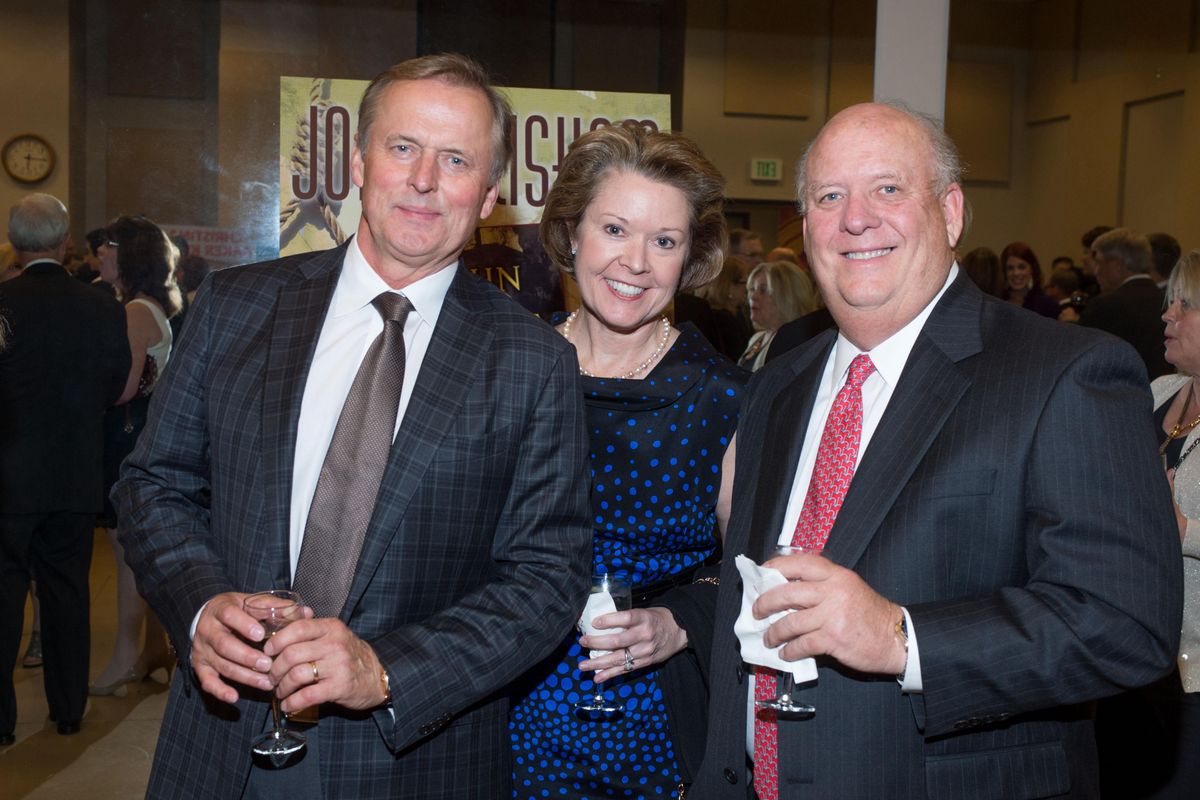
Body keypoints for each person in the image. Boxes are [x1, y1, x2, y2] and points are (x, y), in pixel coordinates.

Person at [113, 53, 592, 798]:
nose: (424, 179)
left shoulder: (533, 361)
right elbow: (153, 485)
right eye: (402, 148)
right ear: (359, 162)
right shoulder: (237, 308)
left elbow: (547, 577)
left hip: (413, 760)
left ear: (490, 192)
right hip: (220, 742)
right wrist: (200, 603)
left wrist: (388, 670)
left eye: (456, 159)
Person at [688, 102, 1182, 799]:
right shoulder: (778, 386)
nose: (855, 218)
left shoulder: (1064, 373)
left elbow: (1125, 625)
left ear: (950, 212)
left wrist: (901, 638)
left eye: (888, 188)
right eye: (829, 197)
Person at [508, 123, 747, 798]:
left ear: (689, 257)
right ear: (571, 232)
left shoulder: (724, 397)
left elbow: (756, 572)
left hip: (654, 725)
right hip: (497, 709)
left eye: (664, 241)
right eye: (614, 229)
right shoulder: (509, 370)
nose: (636, 262)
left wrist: (680, 622)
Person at [0, 194, 130, 743]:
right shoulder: (100, 305)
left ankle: (2, 726)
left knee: (3, 594)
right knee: (67, 591)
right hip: (75, 470)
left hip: (6, 472)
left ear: (14, 244)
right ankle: (69, 710)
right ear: (65, 241)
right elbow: (115, 381)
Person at [1094, 249, 1200, 798]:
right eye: (1169, 303)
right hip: (1136, 649)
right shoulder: (1159, 391)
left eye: (1184, 305)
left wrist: (1182, 528)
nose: (1167, 316)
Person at [90, 215, 180, 697]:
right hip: (140, 433)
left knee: (127, 556)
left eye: (108, 245)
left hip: (128, 437)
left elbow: (123, 389)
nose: (100, 252)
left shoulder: (134, 312)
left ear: (130, 255)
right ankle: (152, 652)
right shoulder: (149, 307)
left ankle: (127, 657)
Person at [1080, 227, 1172, 380]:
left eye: (1099, 263)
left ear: (1116, 265)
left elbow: (1080, 359)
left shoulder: (1104, 306)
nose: (1096, 271)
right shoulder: (1167, 302)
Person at [738, 260, 819, 370]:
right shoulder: (756, 339)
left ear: (788, 296)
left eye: (763, 290)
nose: (752, 297)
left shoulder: (797, 345)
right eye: (752, 289)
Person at [692, 256, 752, 360]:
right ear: (728, 286)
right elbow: (737, 358)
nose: (747, 289)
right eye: (744, 283)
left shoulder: (705, 313)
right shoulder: (724, 320)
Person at [1000, 241, 1060, 317]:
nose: (1016, 273)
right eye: (1010, 268)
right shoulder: (997, 302)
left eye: (1022, 267)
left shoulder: (1048, 305)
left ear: (1032, 270)